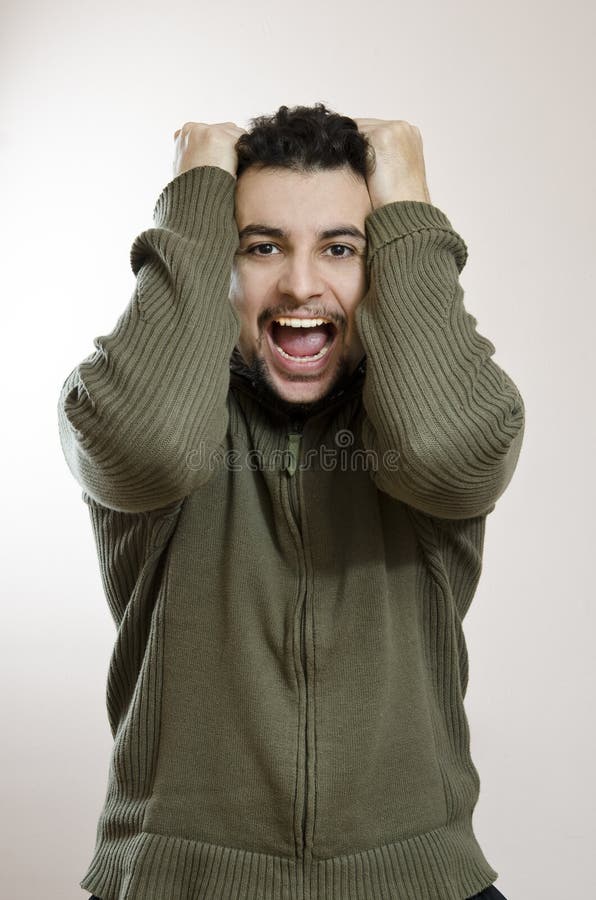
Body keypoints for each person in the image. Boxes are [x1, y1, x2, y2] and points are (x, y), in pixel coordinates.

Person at [58, 103, 524, 900]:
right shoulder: (134, 398)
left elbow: (446, 450)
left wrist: (408, 198)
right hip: (179, 885)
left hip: (423, 882)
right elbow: (150, 446)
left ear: (381, 272)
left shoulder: (434, 411)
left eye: (341, 248)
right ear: (218, 264)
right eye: (262, 246)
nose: (301, 283)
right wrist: (197, 186)